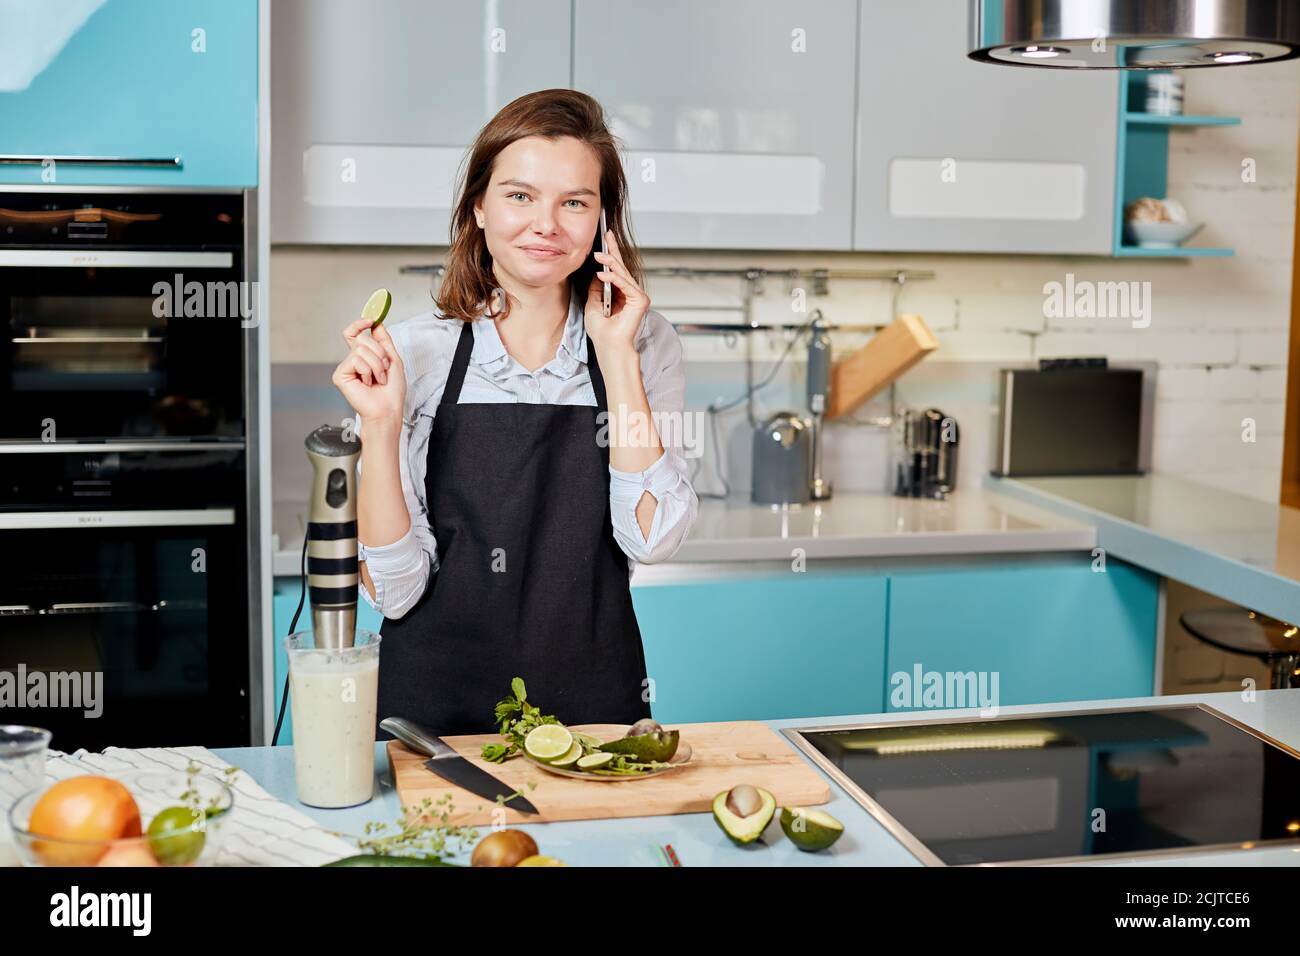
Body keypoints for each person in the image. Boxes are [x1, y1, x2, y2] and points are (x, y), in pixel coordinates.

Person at [332, 89, 698, 735]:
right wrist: (382, 427)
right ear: (478, 206)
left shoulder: (643, 342)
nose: (546, 225)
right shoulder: (414, 352)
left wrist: (614, 356)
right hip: (432, 713)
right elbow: (394, 591)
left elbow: (654, 539)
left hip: (593, 706)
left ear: (602, 222)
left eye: (575, 202)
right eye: (520, 195)